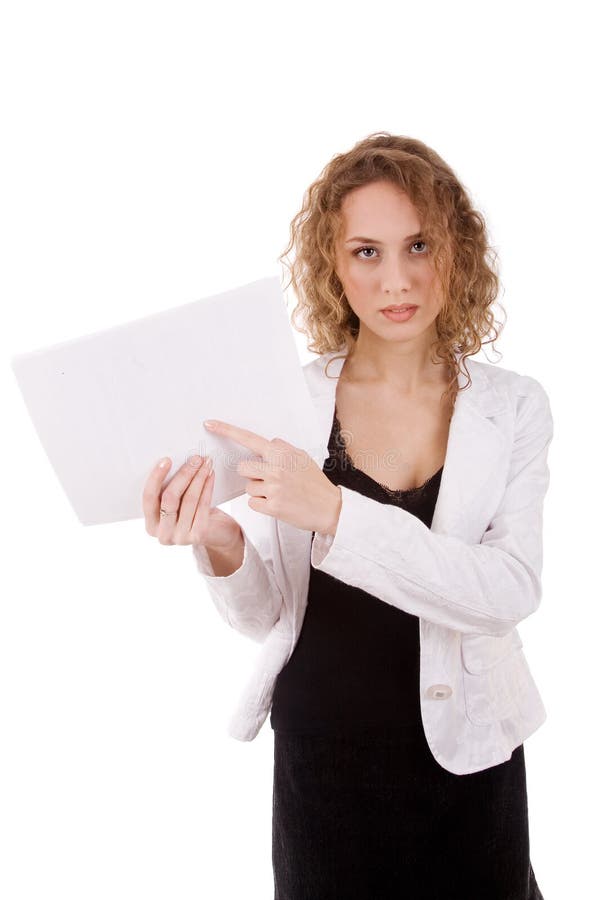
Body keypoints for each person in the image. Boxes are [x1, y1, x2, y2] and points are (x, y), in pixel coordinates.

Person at [142, 132, 551, 899]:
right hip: (324, 764)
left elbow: (508, 591)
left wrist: (334, 511)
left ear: (455, 250)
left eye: (418, 244)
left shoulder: (513, 407)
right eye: (366, 251)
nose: (396, 279)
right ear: (331, 264)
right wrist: (218, 538)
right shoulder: (287, 401)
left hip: (469, 755)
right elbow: (271, 612)